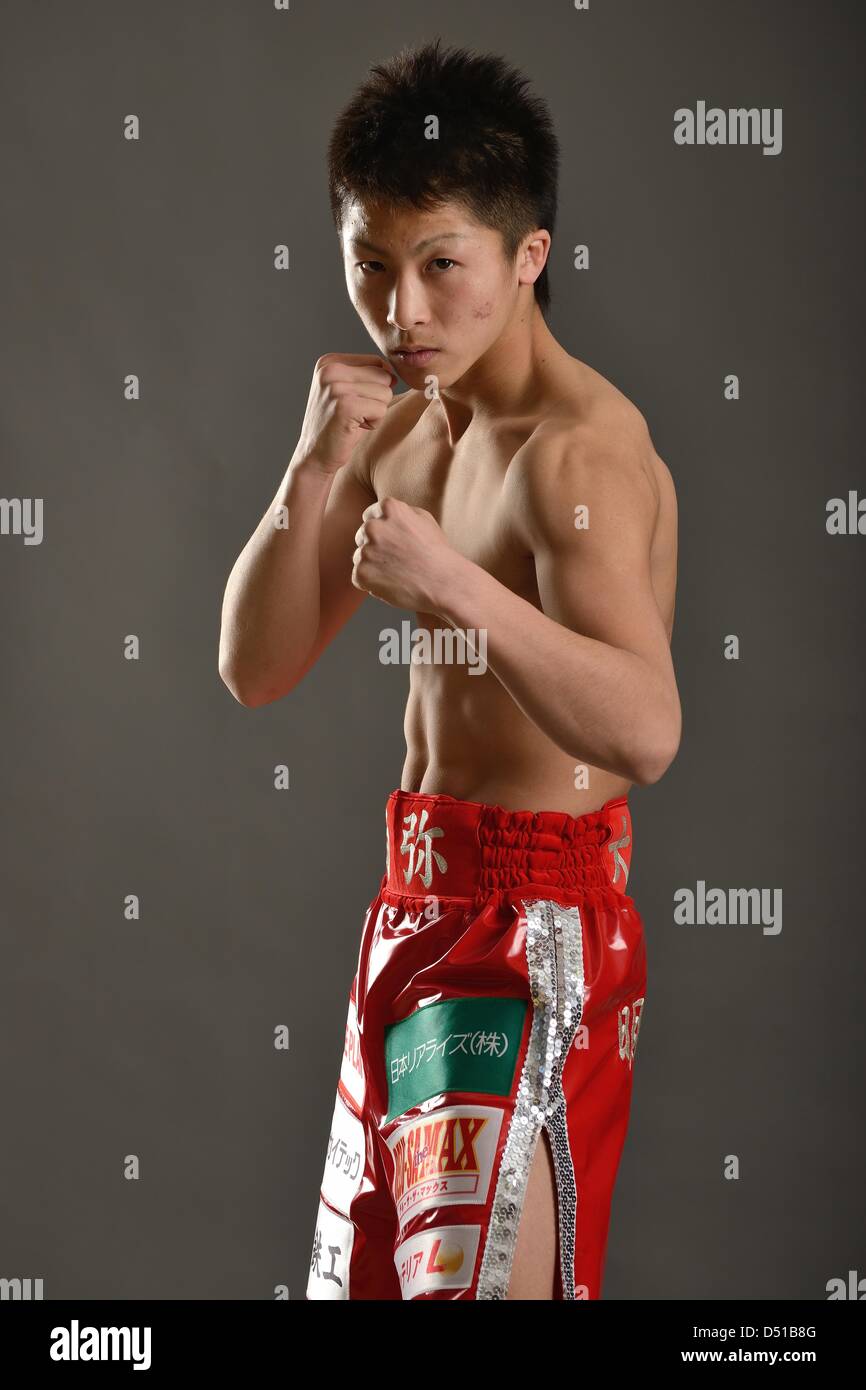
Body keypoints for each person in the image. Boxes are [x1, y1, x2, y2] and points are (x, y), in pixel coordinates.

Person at [218, 36, 681, 1300]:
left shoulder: (575, 457)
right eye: (370, 263)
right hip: (407, 908)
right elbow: (253, 669)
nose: (400, 311)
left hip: (534, 928)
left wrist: (454, 591)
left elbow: (644, 728)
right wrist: (312, 466)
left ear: (526, 257)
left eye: (439, 268)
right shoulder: (404, 426)